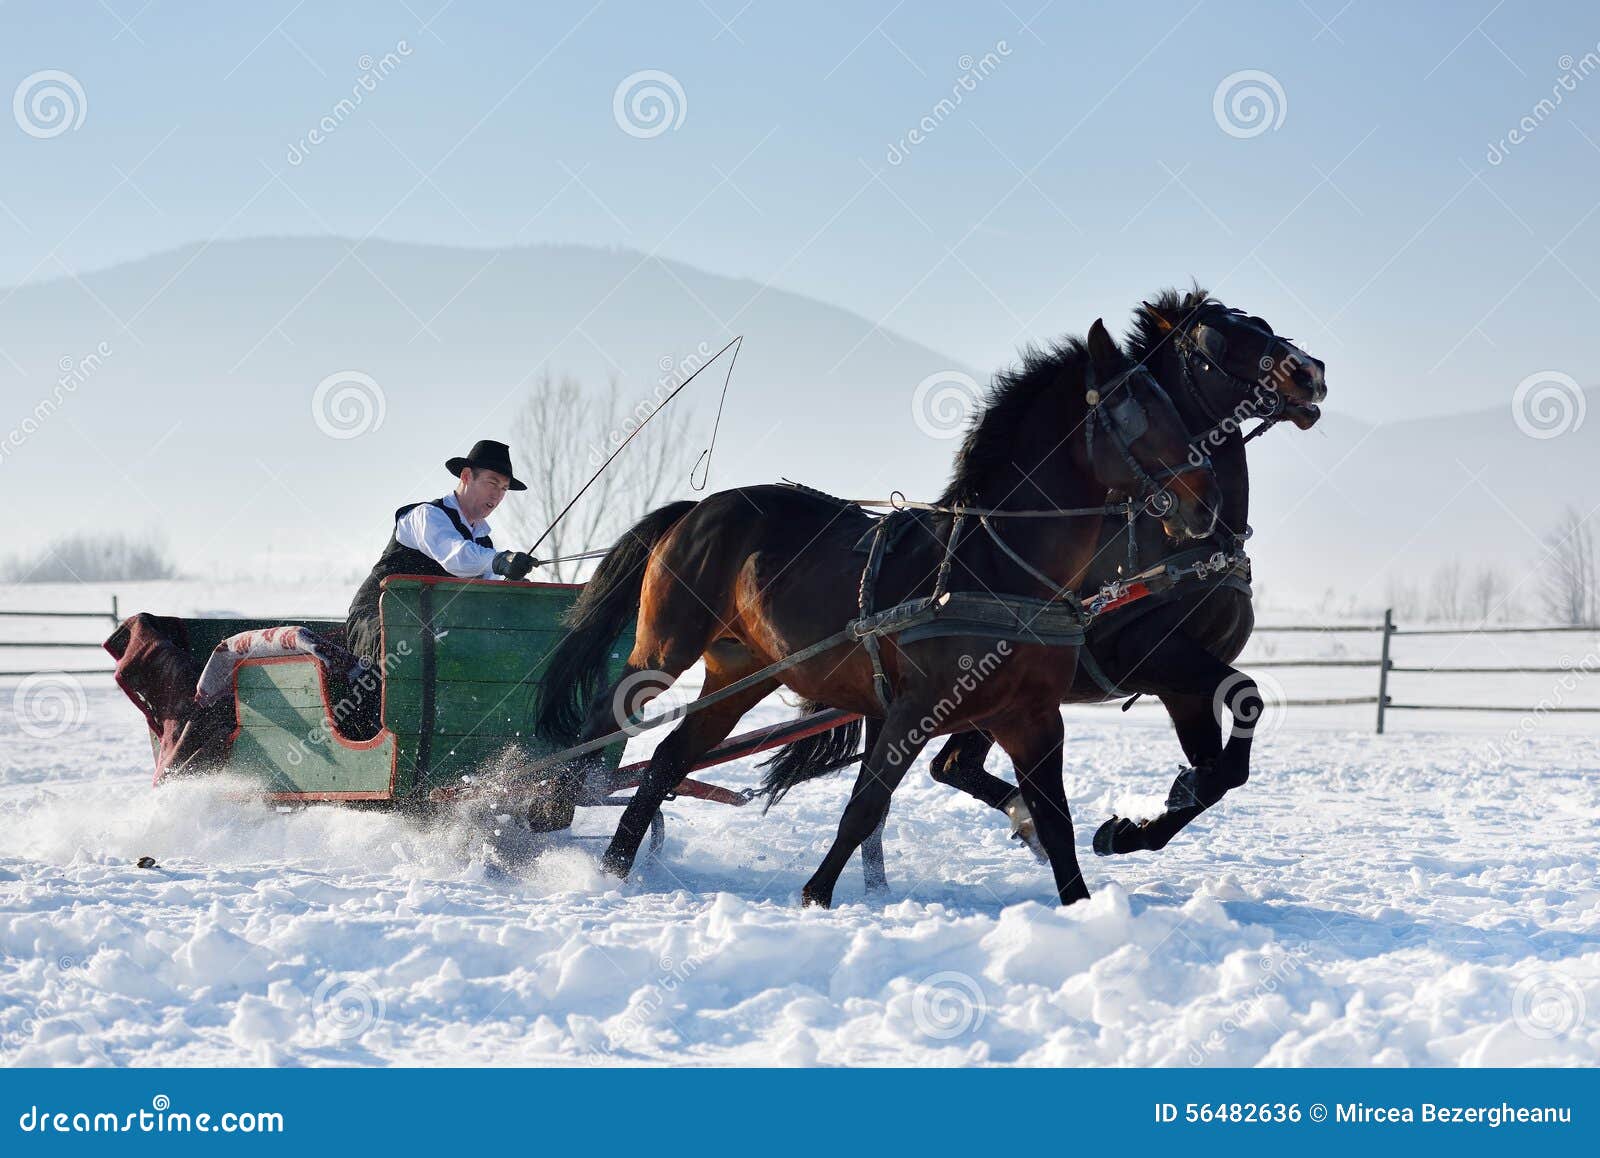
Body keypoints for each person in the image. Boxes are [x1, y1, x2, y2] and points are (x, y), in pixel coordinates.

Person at [344, 440, 537, 669]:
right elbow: (455, 555)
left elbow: (487, 589)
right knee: (427, 644)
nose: (497, 495)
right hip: (376, 623)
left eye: (504, 489)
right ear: (466, 476)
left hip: (431, 630)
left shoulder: (482, 541)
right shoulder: (426, 516)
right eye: (492, 483)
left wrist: (511, 587)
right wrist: (500, 560)